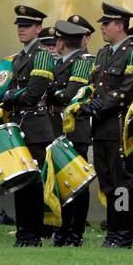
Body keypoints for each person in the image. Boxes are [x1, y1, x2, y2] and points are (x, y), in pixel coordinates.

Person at [79, 2, 133, 249]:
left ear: (120, 25)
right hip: (101, 129)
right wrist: (86, 102)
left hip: (121, 128)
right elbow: (93, 85)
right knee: (108, 182)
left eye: (106, 24)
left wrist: (100, 105)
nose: (102, 29)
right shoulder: (103, 54)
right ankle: (113, 231)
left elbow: (128, 90)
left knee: (123, 184)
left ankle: (124, 233)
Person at [0, 5, 55, 247]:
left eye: (27, 26)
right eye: (19, 26)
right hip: (21, 124)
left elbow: (33, 94)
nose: (22, 30)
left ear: (38, 28)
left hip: (36, 126)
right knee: (21, 183)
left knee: (33, 184)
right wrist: (12, 96)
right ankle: (23, 233)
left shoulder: (42, 54)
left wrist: (12, 96)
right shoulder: (20, 57)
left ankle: (33, 234)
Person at [47, 18, 96, 247]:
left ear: (61, 42)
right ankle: (63, 229)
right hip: (57, 127)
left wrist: (53, 92)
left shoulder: (83, 61)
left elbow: (71, 94)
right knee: (61, 182)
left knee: (77, 182)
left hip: (75, 128)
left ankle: (75, 232)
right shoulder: (61, 62)